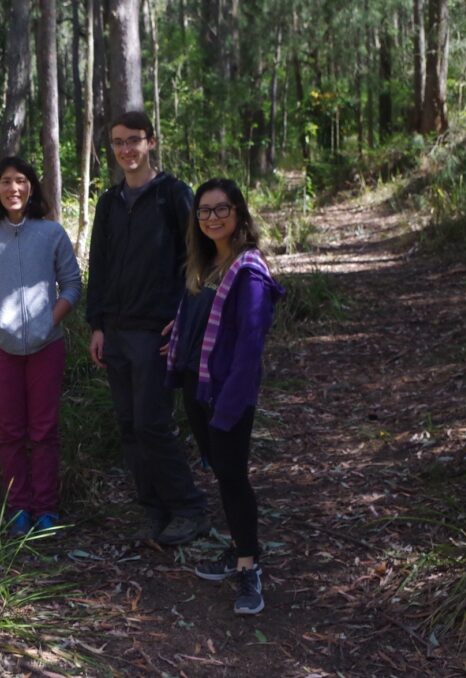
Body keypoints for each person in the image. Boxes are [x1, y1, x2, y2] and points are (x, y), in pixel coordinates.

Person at [86, 110, 209, 545]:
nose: (126, 150)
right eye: (118, 142)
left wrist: (184, 316)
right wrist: (96, 324)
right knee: (128, 424)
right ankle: (152, 509)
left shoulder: (173, 195)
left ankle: (189, 507)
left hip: (156, 331)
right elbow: (97, 266)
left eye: (134, 140)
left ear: (151, 142)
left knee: (153, 422)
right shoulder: (109, 203)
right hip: (116, 331)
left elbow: (199, 259)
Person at [164, 178, 283, 615]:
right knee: (221, 472)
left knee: (233, 477)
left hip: (227, 394)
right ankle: (238, 547)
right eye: (204, 211)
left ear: (238, 214)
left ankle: (248, 566)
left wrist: (229, 406)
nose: (212, 217)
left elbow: (250, 344)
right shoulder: (204, 266)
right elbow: (199, 320)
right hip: (197, 387)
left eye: (221, 209)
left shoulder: (249, 270)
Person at [0, 156, 82, 536]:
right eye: (6, 181)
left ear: (31, 187)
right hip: (1, 347)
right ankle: (18, 508)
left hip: (48, 345)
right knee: (10, 431)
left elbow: (72, 285)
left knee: (44, 430)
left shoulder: (51, 234)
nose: (13, 188)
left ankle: (46, 508)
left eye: (21, 181)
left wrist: (50, 319)